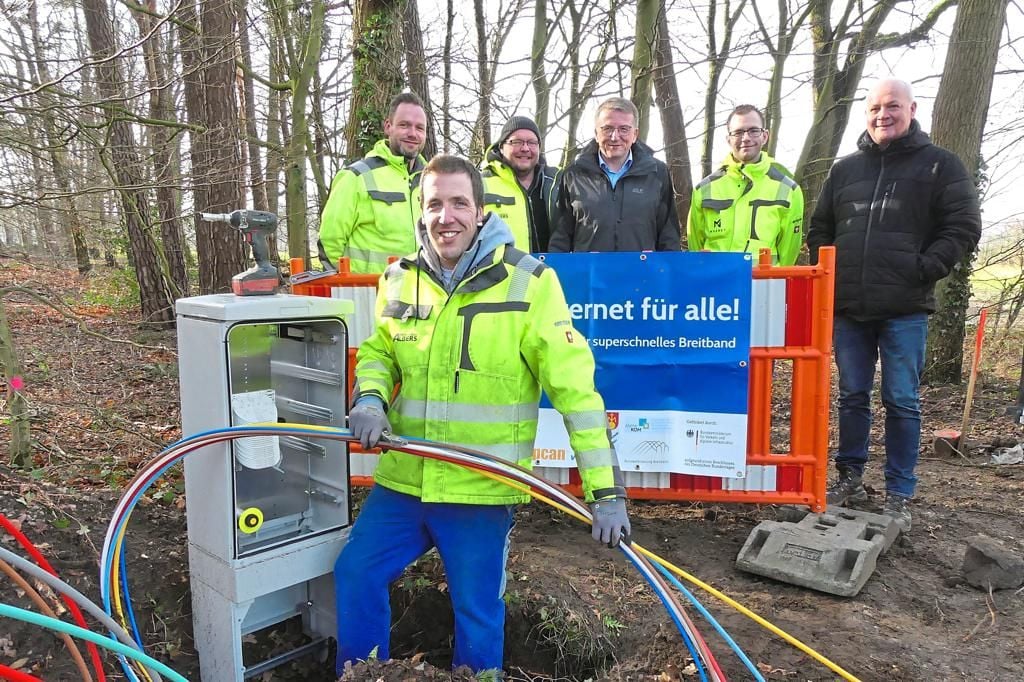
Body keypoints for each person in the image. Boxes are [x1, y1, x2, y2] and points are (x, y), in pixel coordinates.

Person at [333, 154, 630, 674]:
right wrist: (370, 398)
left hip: (480, 487)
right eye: (433, 204)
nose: (445, 216)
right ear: (419, 211)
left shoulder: (531, 283)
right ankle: (362, 673)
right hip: (405, 480)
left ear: (480, 210)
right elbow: (380, 352)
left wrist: (606, 493)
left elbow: (577, 396)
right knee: (355, 573)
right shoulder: (399, 279)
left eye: (458, 203)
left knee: (477, 612)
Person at [807, 79, 981, 531]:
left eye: (893, 107)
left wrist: (925, 267)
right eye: (876, 108)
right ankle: (849, 477)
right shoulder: (845, 170)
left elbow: (962, 225)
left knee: (901, 399)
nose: (884, 115)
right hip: (849, 306)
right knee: (852, 395)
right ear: (866, 115)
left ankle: (900, 490)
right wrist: (831, 277)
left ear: (911, 109)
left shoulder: (940, 166)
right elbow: (820, 228)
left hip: (905, 306)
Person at [548, 97, 680, 252]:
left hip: (643, 274)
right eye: (607, 128)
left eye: (624, 129)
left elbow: (669, 236)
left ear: (635, 134)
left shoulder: (657, 173)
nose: (615, 137)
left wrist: (665, 272)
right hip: (589, 275)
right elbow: (560, 239)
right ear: (596, 133)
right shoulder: (573, 175)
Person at [317, 92, 428, 273]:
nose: (412, 133)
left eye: (419, 128)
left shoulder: (432, 181)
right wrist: (351, 289)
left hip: (420, 295)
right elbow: (330, 243)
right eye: (404, 125)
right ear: (388, 126)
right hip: (367, 295)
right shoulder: (356, 177)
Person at [688, 105, 804, 265]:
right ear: (729, 139)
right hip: (716, 286)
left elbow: (788, 253)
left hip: (764, 286)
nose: (746, 137)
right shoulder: (704, 189)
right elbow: (695, 245)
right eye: (738, 132)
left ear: (765, 136)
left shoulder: (789, 190)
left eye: (753, 130)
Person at [481, 115, 559, 252]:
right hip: (503, 272)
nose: (525, 148)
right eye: (516, 142)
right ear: (501, 147)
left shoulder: (558, 181)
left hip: (554, 271)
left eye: (532, 143)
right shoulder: (479, 184)